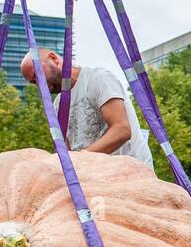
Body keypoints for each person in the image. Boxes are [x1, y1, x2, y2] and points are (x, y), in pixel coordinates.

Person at [20, 48, 154, 169]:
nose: (39, 84)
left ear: (53, 59)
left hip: (131, 174)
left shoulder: (98, 79)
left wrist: (80, 157)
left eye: (38, 76)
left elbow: (122, 130)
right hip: (95, 178)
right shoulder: (58, 104)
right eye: (34, 82)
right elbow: (67, 150)